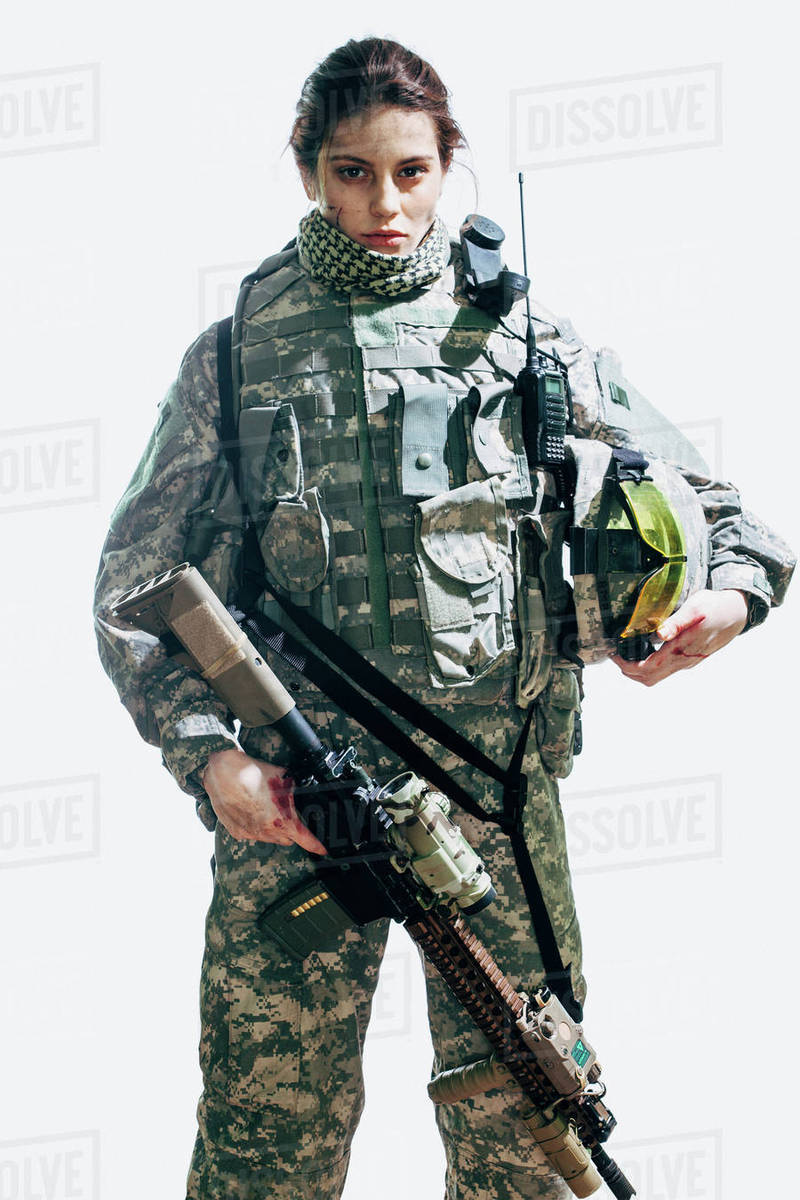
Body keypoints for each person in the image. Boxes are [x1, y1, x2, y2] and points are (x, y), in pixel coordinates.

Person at [93, 36, 795, 1200]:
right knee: (267, 1136)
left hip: (493, 803)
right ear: (308, 173)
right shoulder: (237, 357)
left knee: (524, 1132)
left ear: (445, 167)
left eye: (410, 172)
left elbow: (725, 515)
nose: (385, 204)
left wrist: (721, 601)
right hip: (296, 804)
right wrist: (207, 758)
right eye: (352, 172)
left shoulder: (522, 343)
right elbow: (133, 588)